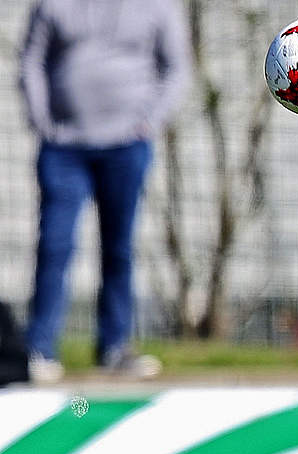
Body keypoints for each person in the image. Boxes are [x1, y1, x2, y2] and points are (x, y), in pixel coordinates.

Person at [18, 0, 191, 383]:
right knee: (54, 245)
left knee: (119, 247)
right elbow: (32, 61)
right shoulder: (52, 4)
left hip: (127, 146)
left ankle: (114, 347)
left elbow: (176, 69)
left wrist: (149, 122)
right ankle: (39, 349)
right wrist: (42, 121)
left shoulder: (159, 6)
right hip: (63, 147)